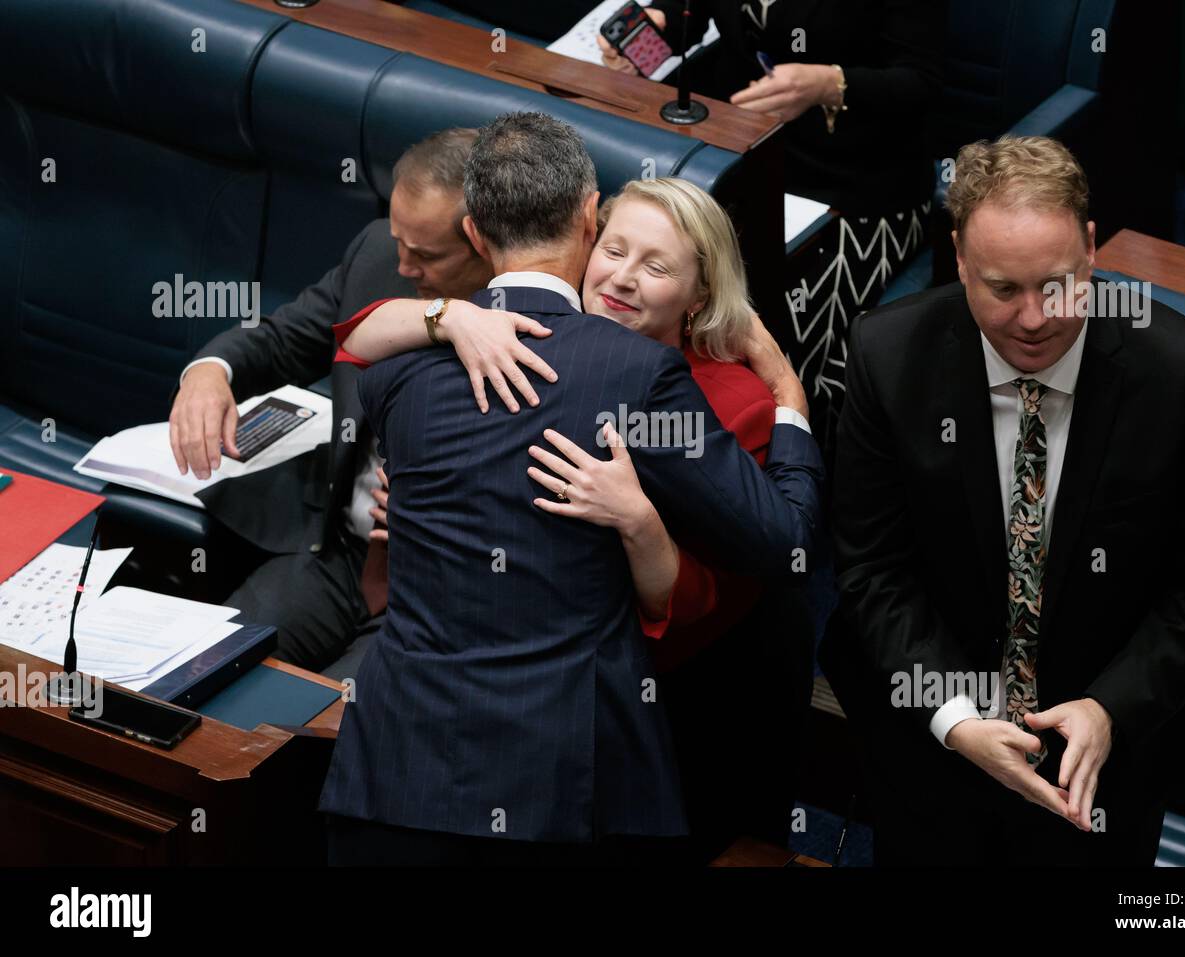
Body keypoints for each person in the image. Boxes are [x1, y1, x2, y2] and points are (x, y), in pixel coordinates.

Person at [318, 112, 824, 866]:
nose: (621, 274)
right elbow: (784, 537)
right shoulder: (637, 376)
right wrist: (796, 405)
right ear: (590, 221)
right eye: (615, 248)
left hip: (397, 768)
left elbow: (355, 339)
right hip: (556, 783)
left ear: (475, 235)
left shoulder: (402, 366)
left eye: (654, 264)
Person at [819, 135, 1185, 866]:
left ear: (1091, 249)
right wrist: (956, 716)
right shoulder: (886, 354)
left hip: (1106, 758)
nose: (1035, 318)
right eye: (1003, 288)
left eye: (1058, 284)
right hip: (931, 742)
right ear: (961, 260)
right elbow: (873, 568)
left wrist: (1111, 707)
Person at [166, 129, 541, 675]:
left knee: (337, 733)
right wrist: (207, 373)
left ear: (482, 243)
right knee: (198, 672)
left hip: (443, 592)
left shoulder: (537, 323)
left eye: (426, 254)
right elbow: (281, 341)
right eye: (399, 241)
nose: (405, 267)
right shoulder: (376, 256)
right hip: (338, 552)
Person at [598, 1, 947, 462]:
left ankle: (790, 472)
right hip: (744, 153)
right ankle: (656, 448)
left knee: (782, 330)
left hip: (857, 185)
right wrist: (660, 24)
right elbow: (693, 12)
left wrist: (832, 83)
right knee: (679, 289)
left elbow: (922, 83)